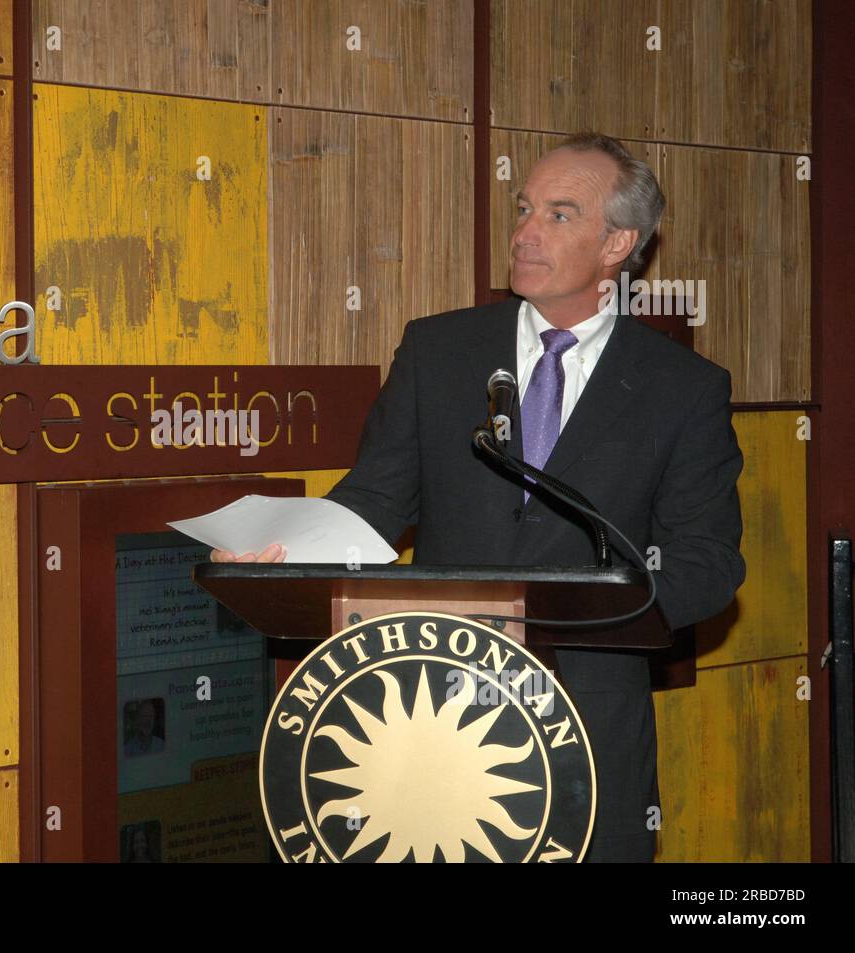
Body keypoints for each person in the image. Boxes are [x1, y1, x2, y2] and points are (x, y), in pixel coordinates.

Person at [212, 131, 746, 862]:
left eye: (559, 215)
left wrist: (584, 606)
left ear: (619, 241)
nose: (524, 232)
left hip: (584, 730)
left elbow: (708, 563)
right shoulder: (439, 351)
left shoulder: (682, 388)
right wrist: (274, 557)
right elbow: (373, 501)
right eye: (525, 208)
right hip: (424, 723)